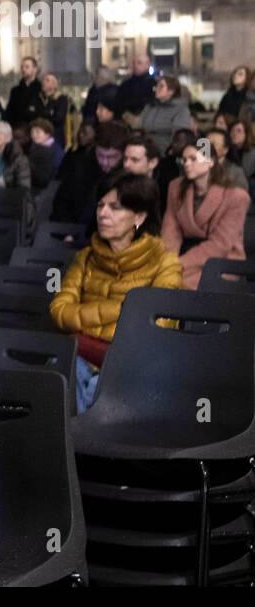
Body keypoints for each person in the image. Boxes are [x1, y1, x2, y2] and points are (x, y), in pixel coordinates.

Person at [49, 171, 182, 412]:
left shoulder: (165, 262)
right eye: (100, 205)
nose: (103, 213)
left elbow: (159, 324)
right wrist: (128, 310)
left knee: (100, 386)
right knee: (64, 372)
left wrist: (86, 323)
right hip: (81, 357)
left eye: (115, 208)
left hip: (130, 362)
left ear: (139, 217)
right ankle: (73, 445)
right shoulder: (85, 257)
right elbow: (58, 311)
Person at [161, 141, 251, 288]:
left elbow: (220, 244)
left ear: (210, 162)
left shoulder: (236, 197)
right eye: (184, 160)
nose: (187, 164)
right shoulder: (176, 187)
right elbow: (170, 230)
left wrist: (178, 264)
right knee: (160, 280)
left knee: (177, 284)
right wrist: (168, 262)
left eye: (193, 159)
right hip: (182, 252)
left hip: (222, 260)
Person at [51, 120, 129, 231]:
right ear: (94, 148)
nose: (105, 162)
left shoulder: (129, 176)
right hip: (73, 228)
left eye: (112, 157)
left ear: (123, 154)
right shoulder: (80, 166)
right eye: (101, 155)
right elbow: (61, 203)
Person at [139, 75, 193, 153]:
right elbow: (140, 125)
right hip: (146, 146)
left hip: (166, 148)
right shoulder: (150, 106)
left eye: (161, 86)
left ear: (171, 91)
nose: (156, 89)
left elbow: (179, 133)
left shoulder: (181, 108)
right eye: (156, 86)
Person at [205, 128, 250, 194]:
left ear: (225, 149)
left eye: (213, 144)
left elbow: (241, 198)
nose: (208, 147)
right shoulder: (198, 167)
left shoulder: (235, 172)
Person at [121, 133, 166, 198]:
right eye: (125, 159)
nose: (126, 165)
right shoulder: (118, 184)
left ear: (153, 163)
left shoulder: (164, 188)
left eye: (134, 160)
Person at [3, 56, 42, 127]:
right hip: (16, 129)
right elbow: (9, 112)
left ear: (35, 69)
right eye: (22, 67)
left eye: (27, 67)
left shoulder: (41, 89)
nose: (23, 70)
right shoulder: (15, 91)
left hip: (35, 129)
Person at [26, 118, 63, 191]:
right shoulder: (31, 147)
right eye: (32, 132)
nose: (34, 135)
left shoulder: (56, 150)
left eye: (37, 132)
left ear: (47, 134)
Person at [36, 72, 72, 148]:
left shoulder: (61, 99)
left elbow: (58, 118)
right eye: (43, 80)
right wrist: (48, 114)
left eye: (47, 80)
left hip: (55, 138)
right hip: (39, 138)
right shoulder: (37, 98)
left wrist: (42, 115)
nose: (43, 82)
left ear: (55, 85)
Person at [114, 52, 155, 117]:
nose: (135, 65)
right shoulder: (126, 84)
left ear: (148, 64)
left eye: (139, 63)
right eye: (136, 63)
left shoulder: (153, 83)